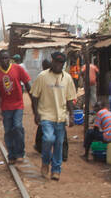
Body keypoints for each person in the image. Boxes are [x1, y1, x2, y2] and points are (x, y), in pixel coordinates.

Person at [29, 51, 76, 180]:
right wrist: (36, 112)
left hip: (60, 116)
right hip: (46, 116)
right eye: (56, 62)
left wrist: (71, 115)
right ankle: (45, 162)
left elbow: (70, 98)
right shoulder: (42, 76)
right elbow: (35, 95)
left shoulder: (67, 78)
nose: (58, 65)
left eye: (61, 63)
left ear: (63, 64)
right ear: (52, 61)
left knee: (59, 144)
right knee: (48, 139)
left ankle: (56, 170)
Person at [0, 49, 30, 163]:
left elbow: (27, 83)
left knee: (17, 127)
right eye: (2, 58)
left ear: (10, 58)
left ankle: (20, 152)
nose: (4, 60)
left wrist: (34, 100)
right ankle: (11, 154)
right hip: (5, 107)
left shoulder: (18, 69)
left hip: (18, 104)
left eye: (6, 58)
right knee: (8, 131)